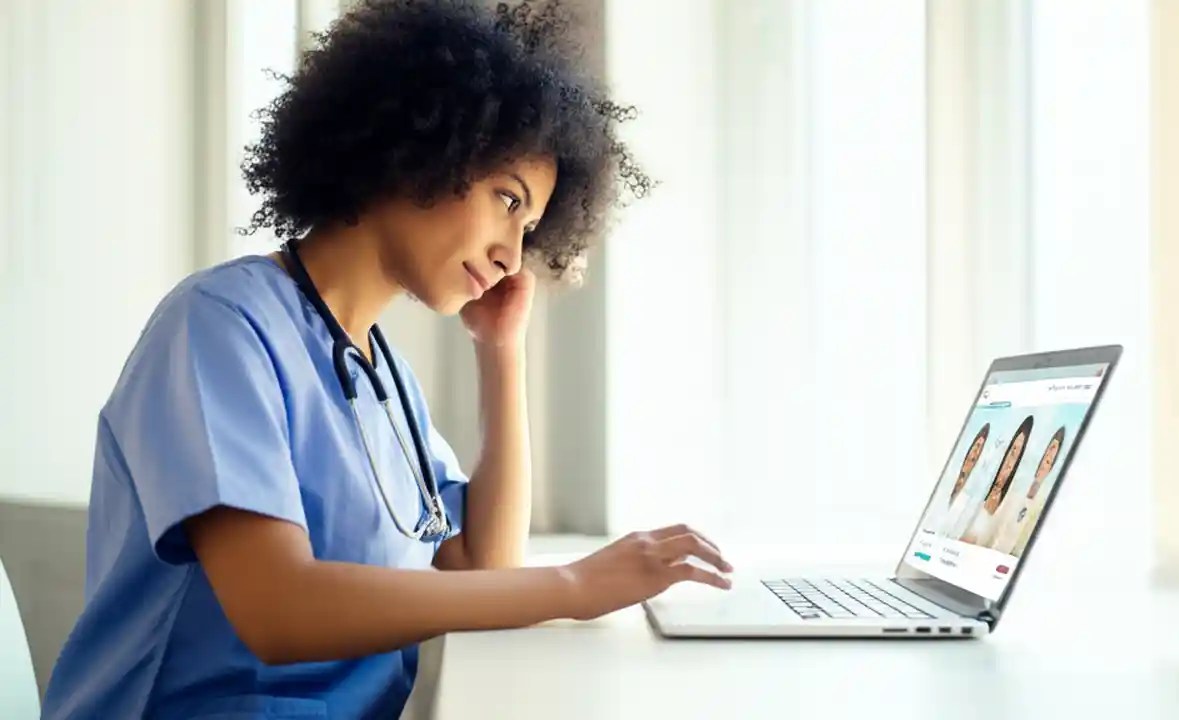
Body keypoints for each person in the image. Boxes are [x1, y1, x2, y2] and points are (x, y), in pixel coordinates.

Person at [42, 2, 732, 718]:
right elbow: (278, 608)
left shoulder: (380, 374)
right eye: (506, 199)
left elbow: (481, 568)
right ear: (417, 147)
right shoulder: (219, 326)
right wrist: (574, 586)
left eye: (528, 228)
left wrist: (501, 353)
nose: (512, 253)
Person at [990, 427, 1066, 557]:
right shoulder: (1016, 489)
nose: (1043, 463)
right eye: (1044, 457)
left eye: (1048, 461)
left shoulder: (1042, 503)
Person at [958, 416, 1034, 546]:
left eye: (1017, 457)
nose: (1010, 463)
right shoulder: (976, 491)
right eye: (1012, 451)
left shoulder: (1009, 506)